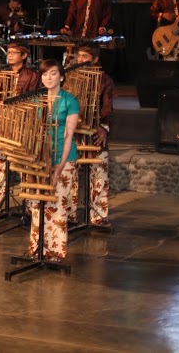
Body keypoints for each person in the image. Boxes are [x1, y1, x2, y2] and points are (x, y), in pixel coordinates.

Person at [29, 59, 79, 262]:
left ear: (62, 76)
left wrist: (59, 166)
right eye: (44, 74)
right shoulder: (37, 100)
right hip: (41, 157)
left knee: (57, 204)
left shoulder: (69, 100)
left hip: (64, 157)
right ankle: (37, 248)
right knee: (37, 203)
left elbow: (68, 136)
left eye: (53, 73)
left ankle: (55, 251)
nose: (48, 78)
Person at [0, 41, 41, 210]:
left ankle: (30, 206)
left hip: (23, 126)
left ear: (24, 56)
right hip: (2, 126)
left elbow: (34, 99)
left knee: (25, 167)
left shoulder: (32, 75)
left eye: (14, 53)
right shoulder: (2, 74)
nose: (10, 55)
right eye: (8, 52)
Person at [71, 42, 114, 227]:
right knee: (69, 175)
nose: (80, 60)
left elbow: (108, 108)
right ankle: (69, 215)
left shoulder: (105, 80)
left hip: (94, 131)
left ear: (95, 59)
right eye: (79, 56)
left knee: (99, 174)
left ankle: (98, 216)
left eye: (85, 57)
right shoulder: (70, 77)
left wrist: (104, 128)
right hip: (73, 133)